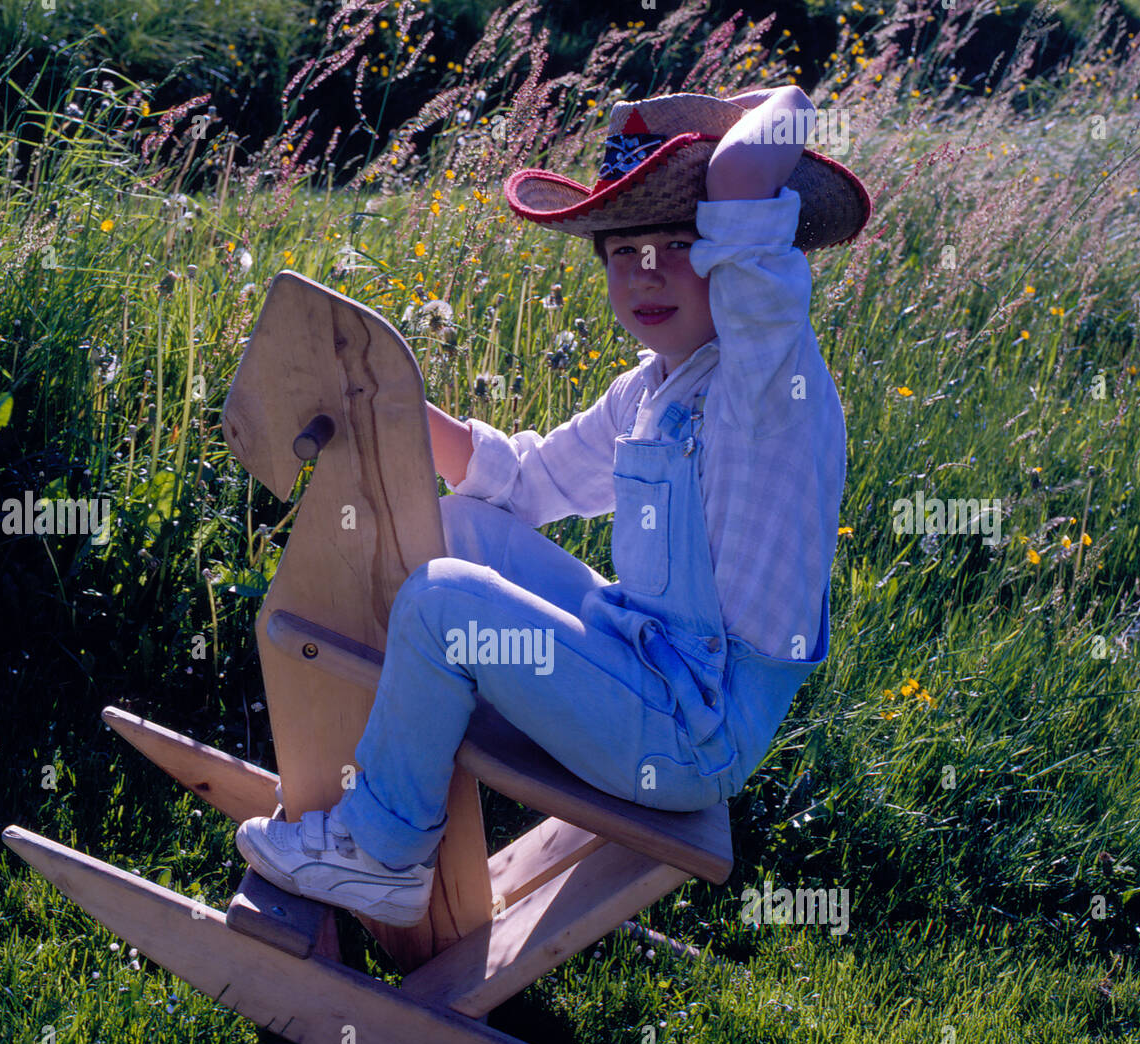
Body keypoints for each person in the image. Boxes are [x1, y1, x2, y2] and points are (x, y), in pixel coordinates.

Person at [235, 85, 871, 928]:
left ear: (733, 252)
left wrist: (776, 99)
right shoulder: (651, 391)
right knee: (457, 530)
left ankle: (382, 852)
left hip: (689, 730)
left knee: (440, 603)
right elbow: (529, 481)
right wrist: (384, 402)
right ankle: (377, 766)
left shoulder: (764, 375)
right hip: (641, 663)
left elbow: (744, 172)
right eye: (622, 249)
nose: (646, 272)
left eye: (681, 244)